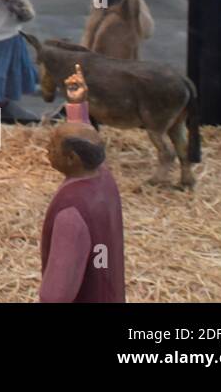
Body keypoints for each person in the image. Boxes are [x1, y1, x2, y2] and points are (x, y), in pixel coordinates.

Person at [40, 72, 125, 302]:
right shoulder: (103, 178)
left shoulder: (71, 212)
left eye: (53, 147)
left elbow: (55, 294)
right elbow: (88, 142)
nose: (47, 151)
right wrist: (78, 108)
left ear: (72, 159)